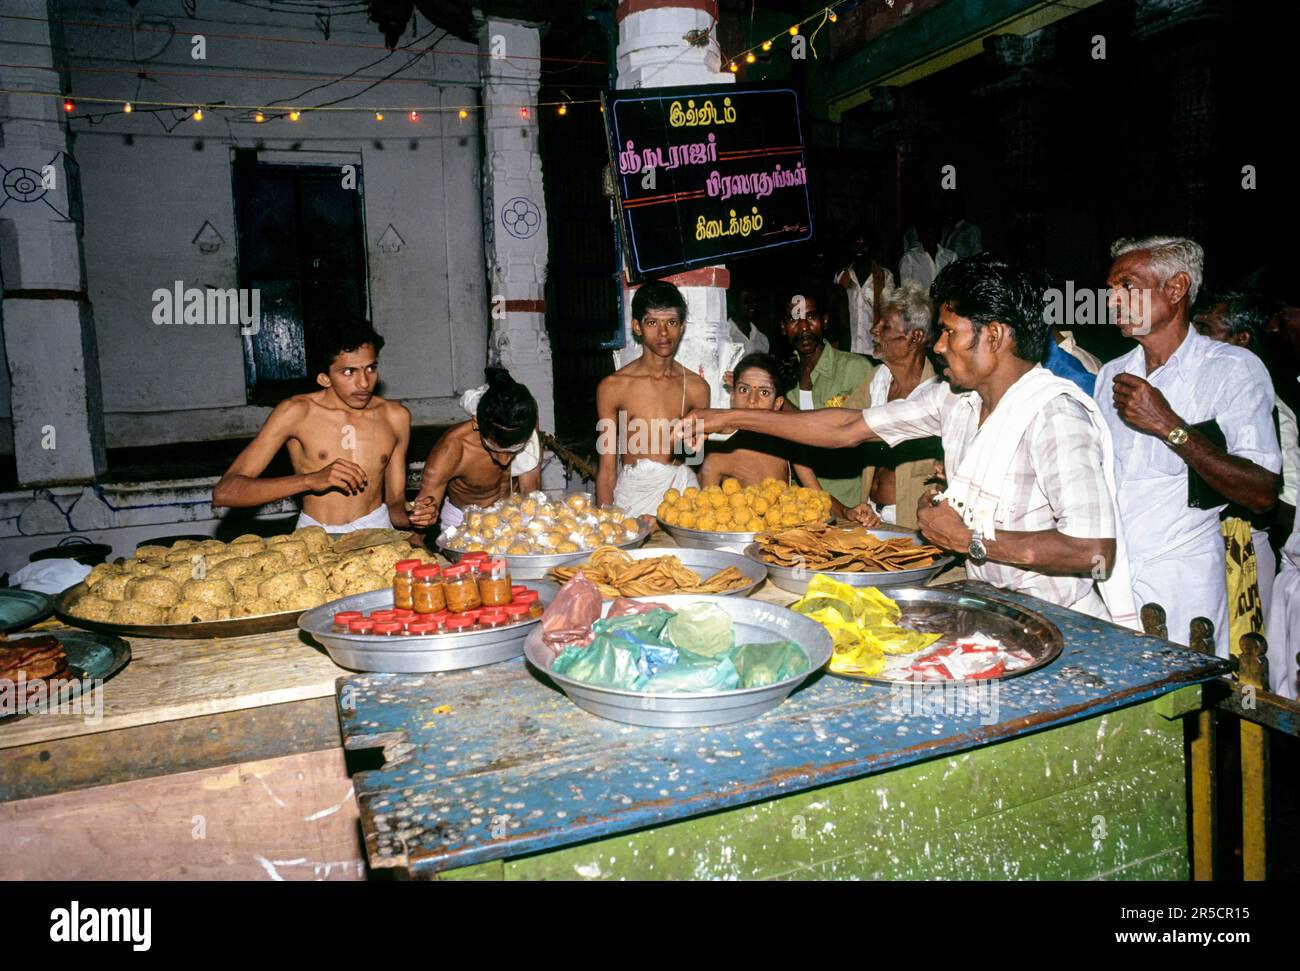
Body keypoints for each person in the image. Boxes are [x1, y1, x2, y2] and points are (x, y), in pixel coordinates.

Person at [681, 254, 1139, 626]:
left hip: (1060, 622)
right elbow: (847, 427)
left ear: (995, 336)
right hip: (990, 607)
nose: (938, 346)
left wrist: (972, 540)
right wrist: (732, 416)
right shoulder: (953, 401)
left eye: (950, 332)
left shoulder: (1054, 415)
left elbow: (1093, 548)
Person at [1095, 236, 1281, 656]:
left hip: (1187, 583)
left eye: (1127, 286)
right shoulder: (1111, 374)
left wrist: (1169, 426)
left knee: (1187, 707)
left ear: (1176, 288)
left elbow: (1262, 491)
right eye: (1111, 290)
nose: (1113, 301)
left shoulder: (1232, 369)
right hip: (1114, 578)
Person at [213, 322, 413, 532]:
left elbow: (395, 506)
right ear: (324, 378)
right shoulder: (296, 412)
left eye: (370, 368)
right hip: (317, 534)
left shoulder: (395, 417)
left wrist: (415, 516)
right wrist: (309, 480)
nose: (364, 383)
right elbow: (225, 493)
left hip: (378, 530)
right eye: (348, 372)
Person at [1192, 290, 1299, 624]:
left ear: (1241, 339)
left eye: (1206, 329)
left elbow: (1289, 504)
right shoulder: (1198, 397)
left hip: (1244, 551)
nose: (1195, 338)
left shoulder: (1272, 411)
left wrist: (1241, 508)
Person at [596, 280, 711, 518]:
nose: (663, 333)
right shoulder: (613, 387)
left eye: (671, 322)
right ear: (637, 327)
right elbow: (607, 469)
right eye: (652, 323)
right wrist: (606, 523)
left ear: (682, 327)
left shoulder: (697, 388)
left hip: (680, 500)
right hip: (632, 500)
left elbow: (695, 457)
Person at [841, 282, 943, 528]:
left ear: (915, 337)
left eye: (885, 325)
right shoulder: (878, 379)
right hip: (871, 515)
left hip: (912, 521)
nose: (874, 330)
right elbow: (839, 424)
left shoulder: (940, 392)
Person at [407, 369, 541, 535]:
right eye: (496, 449)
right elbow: (426, 507)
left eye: (514, 450)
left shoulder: (523, 421)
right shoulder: (453, 449)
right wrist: (425, 516)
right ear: (477, 423)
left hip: (511, 518)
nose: (505, 461)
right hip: (463, 524)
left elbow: (530, 492)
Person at [780, 282, 876, 516]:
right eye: (794, 319)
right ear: (783, 327)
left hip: (850, 505)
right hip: (797, 507)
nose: (803, 327)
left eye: (810, 317)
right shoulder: (778, 376)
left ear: (824, 321)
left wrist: (779, 401)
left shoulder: (855, 369)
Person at [698, 352, 846, 503]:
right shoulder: (717, 458)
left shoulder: (789, 444)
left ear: (777, 404)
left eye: (764, 392)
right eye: (744, 390)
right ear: (732, 397)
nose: (752, 400)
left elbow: (820, 498)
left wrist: (847, 511)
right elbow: (702, 518)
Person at [834, 223, 895, 358]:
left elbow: (889, 316)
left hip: (874, 350)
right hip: (847, 350)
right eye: (856, 243)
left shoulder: (885, 277)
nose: (859, 248)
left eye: (864, 244)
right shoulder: (841, 276)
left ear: (872, 247)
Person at [899, 219, 956, 291]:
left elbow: (954, 283)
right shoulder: (909, 258)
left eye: (934, 232)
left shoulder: (951, 256)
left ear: (940, 235)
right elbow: (905, 287)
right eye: (928, 233)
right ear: (920, 235)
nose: (931, 236)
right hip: (919, 301)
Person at [726, 285, 769, 357]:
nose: (753, 304)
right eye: (747, 301)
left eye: (754, 301)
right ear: (733, 306)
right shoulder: (725, 337)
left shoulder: (762, 339)